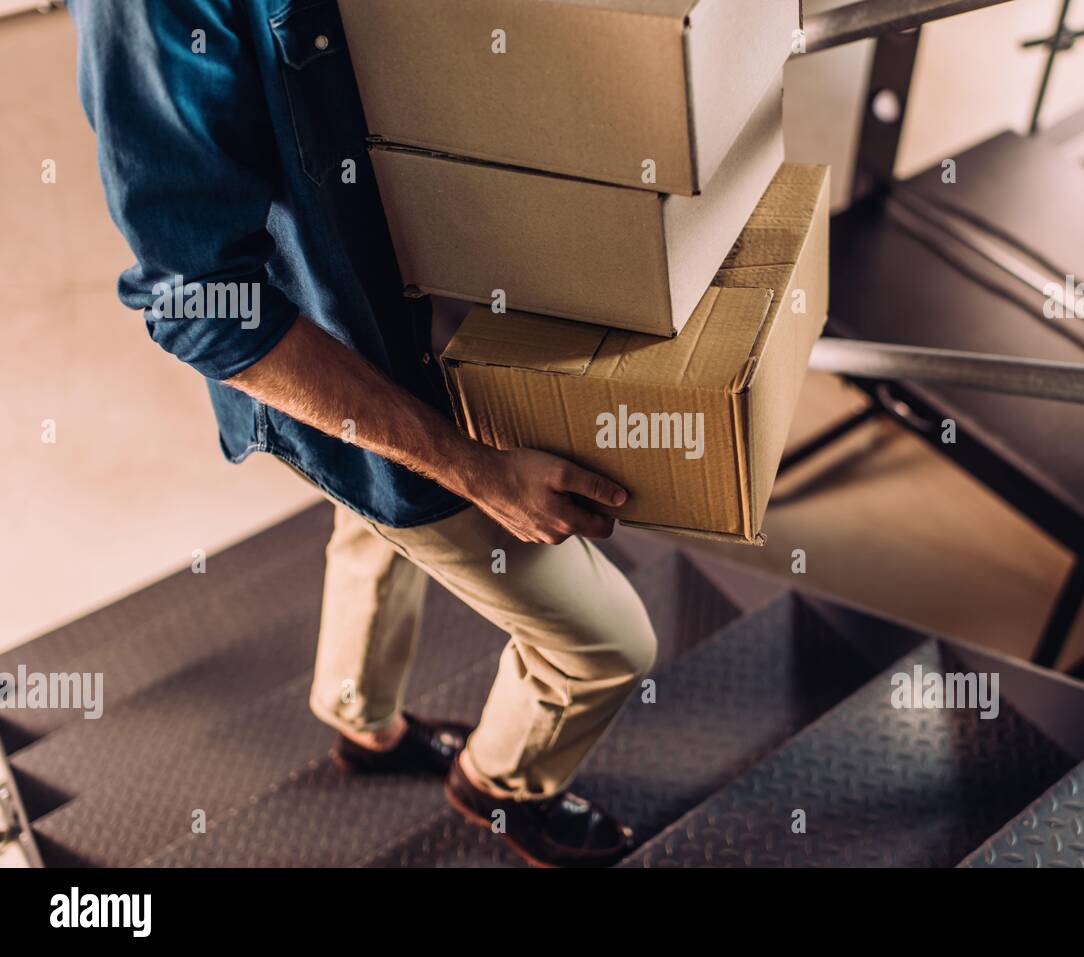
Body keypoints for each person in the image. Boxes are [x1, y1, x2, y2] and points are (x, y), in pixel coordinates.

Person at [71, 0, 657, 868]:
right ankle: (502, 784)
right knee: (606, 644)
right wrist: (473, 468)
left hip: (431, 312)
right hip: (362, 371)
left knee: (372, 530)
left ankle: (360, 722)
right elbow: (199, 306)